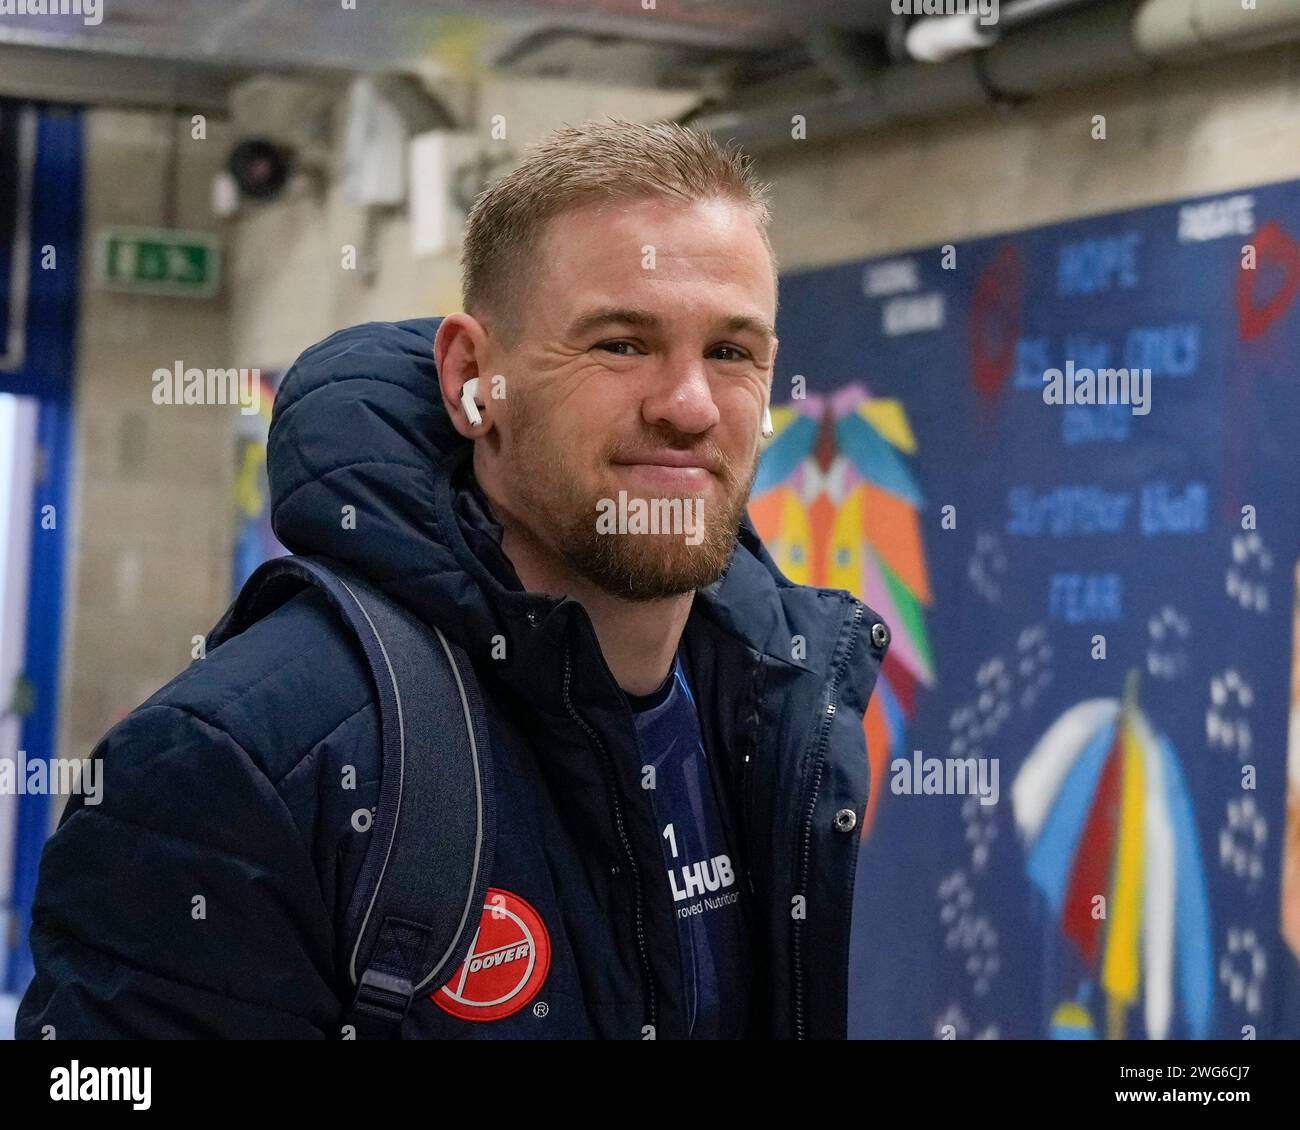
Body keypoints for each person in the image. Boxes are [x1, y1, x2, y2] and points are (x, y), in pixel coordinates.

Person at [16, 117, 890, 1040]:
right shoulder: (246, 769)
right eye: (620, 344)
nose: (687, 405)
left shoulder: (783, 713)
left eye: (730, 352)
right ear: (473, 376)